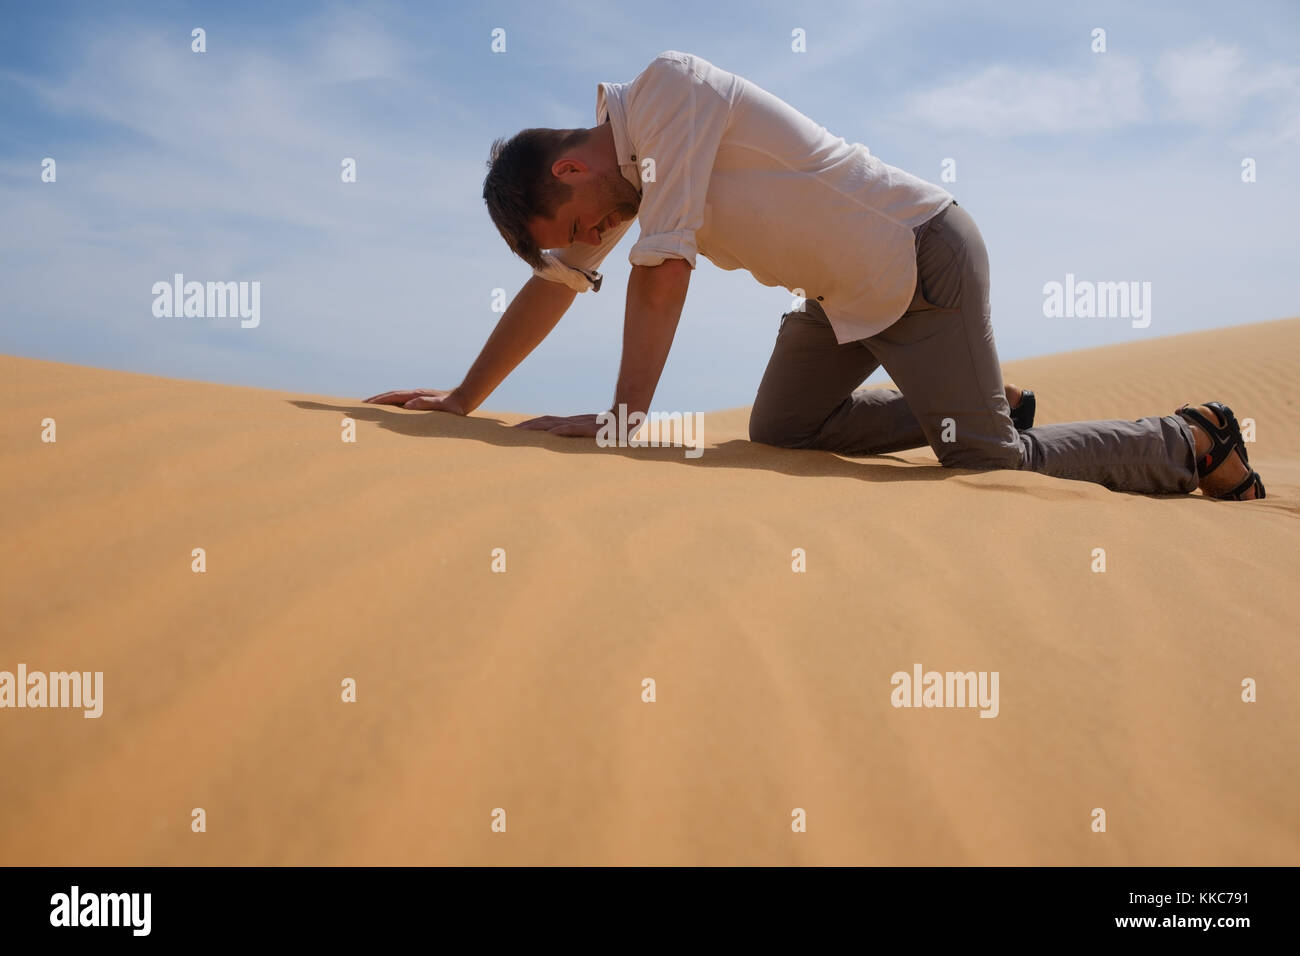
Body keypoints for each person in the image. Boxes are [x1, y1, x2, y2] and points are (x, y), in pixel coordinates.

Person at [366, 51, 1263, 501]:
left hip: (922, 260)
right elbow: (556, 286)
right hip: (843, 297)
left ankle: (1189, 439)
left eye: (578, 228)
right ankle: (987, 396)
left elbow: (662, 276)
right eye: (580, 239)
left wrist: (624, 421)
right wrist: (462, 398)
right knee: (783, 428)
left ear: (568, 171)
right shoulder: (630, 181)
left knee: (986, 464)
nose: (592, 238)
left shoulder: (669, 95)